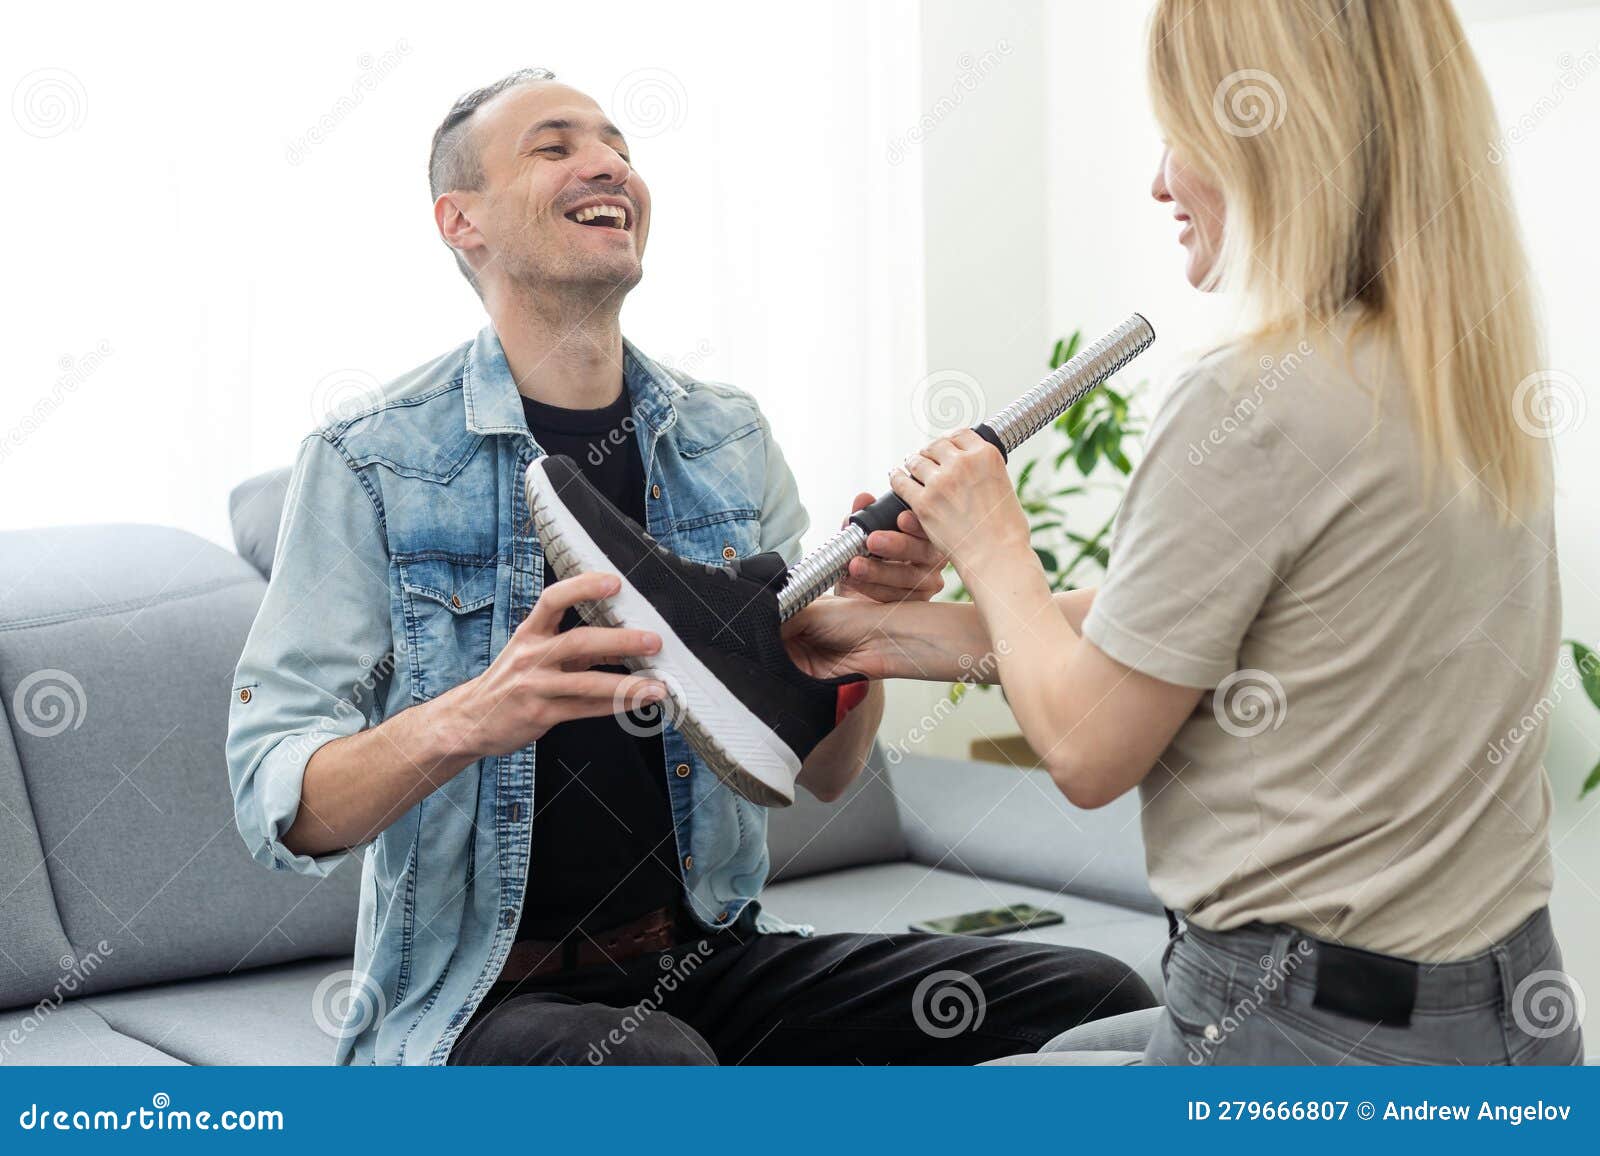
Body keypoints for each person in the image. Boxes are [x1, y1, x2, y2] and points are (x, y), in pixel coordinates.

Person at [225, 68, 1153, 1066]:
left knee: (1091, 996)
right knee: (653, 1066)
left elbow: (826, 773)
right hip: (472, 1005)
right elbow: (279, 799)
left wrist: (859, 638)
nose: (608, 163)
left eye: (618, 144)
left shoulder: (724, 435)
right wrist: (468, 718)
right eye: (554, 146)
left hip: (705, 964)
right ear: (462, 222)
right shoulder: (371, 459)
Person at [785, 0, 1584, 1065]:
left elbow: (1087, 748)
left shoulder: (1251, 397)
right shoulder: (1457, 372)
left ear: (1273, 132)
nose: (1159, 180)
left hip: (1309, 1043)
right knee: (1058, 1056)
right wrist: (879, 637)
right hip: (1501, 1014)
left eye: (1177, 136)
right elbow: (1159, 635)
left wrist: (991, 536)